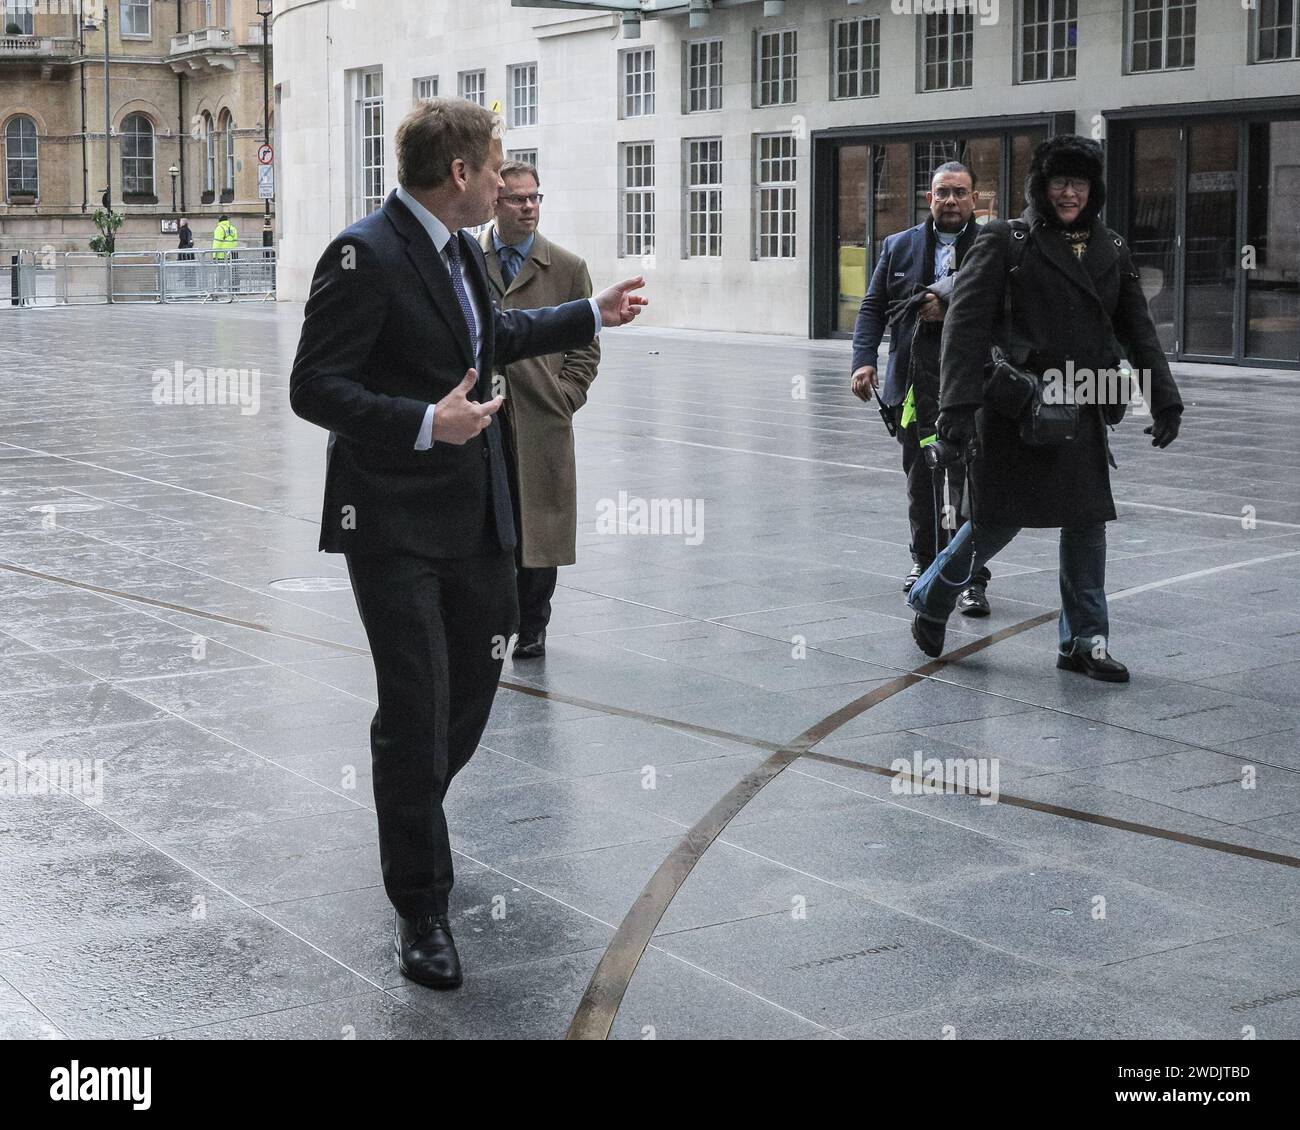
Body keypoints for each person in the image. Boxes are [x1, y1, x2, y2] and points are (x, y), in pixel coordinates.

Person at [289, 97, 646, 991]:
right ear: (460, 175)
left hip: (481, 521)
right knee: (415, 710)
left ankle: (408, 809)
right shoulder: (363, 255)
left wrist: (590, 314)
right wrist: (421, 422)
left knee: (471, 697)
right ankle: (423, 906)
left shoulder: (458, 254)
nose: (502, 182)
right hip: (396, 526)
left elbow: (497, 337)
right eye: (495, 168)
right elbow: (313, 386)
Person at [907, 135, 1183, 681]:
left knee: (1087, 523)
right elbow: (964, 324)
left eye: (1079, 183)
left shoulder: (1114, 249)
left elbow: (1139, 332)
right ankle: (934, 596)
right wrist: (957, 407)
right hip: (1015, 405)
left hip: (1080, 403)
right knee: (992, 523)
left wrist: (1164, 398)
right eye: (1059, 182)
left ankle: (1085, 639)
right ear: (1042, 186)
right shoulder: (1004, 240)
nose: (1069, 193)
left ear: (1093, 189)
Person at [850, 162, 993, 615]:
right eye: (942, 192)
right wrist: (864, 361)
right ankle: (924, 562)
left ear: (974, 199)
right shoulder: (899, 245)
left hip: (973, 383)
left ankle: (971, 578)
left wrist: (947, 305)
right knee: (922, 479)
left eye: (960, 193)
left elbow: (1004, 303)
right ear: (929, 198)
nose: (950, 201)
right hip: (914, 384)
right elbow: (872, 307)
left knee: (971, 484)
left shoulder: (993, 246)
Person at [477, 161, 599, 660]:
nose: (528, 207)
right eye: (517, 199)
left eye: (535, 198)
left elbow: (585, 348)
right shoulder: (466, 257)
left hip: (540, 416)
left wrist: (565, 395)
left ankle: (533, 626)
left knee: (539, 523)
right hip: (480, 413)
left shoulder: (567, 268)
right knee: (488, 520)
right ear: (496, 202)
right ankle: (492, 621)